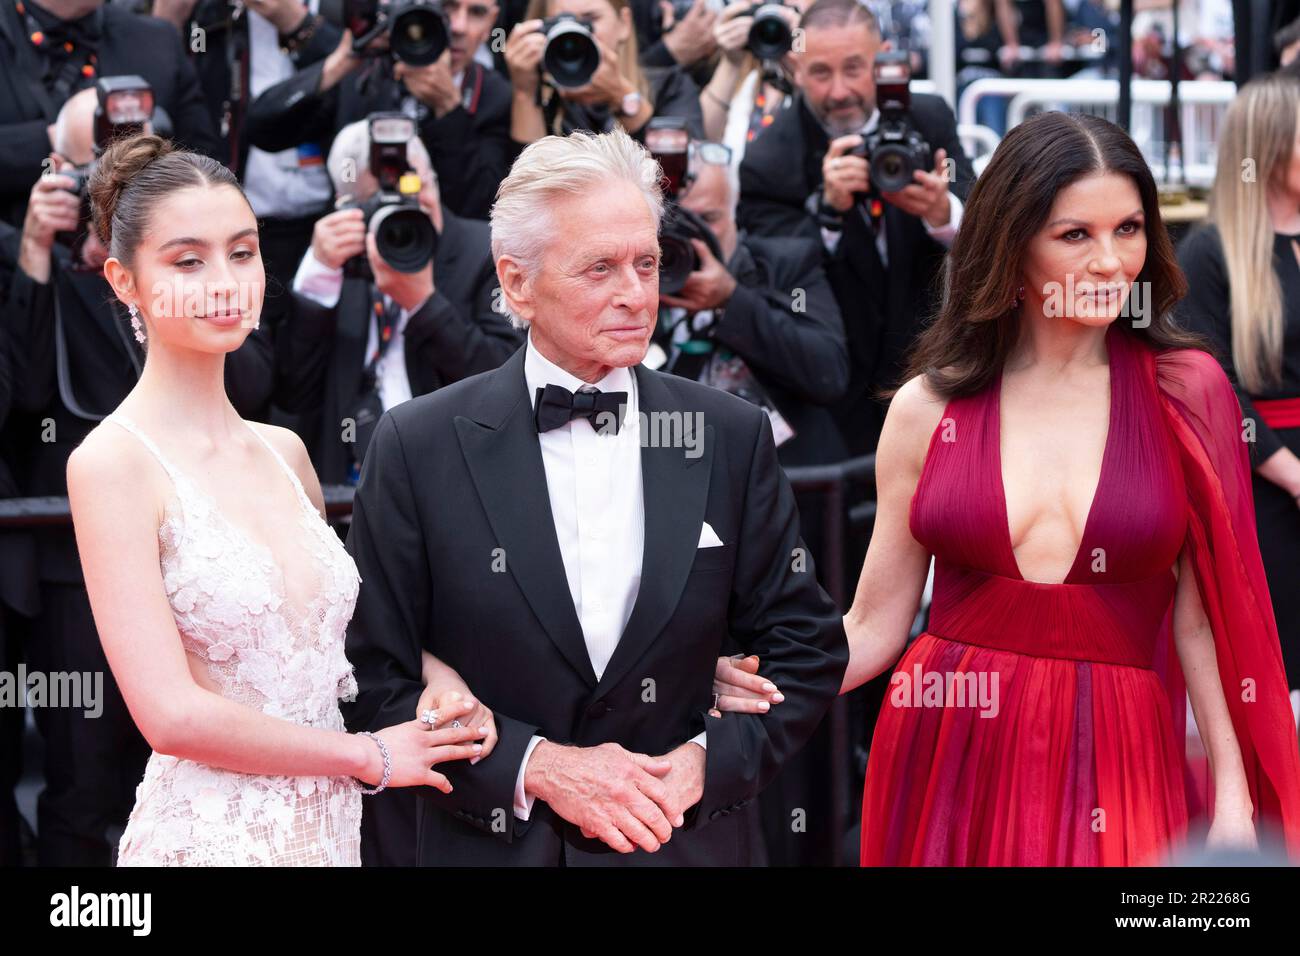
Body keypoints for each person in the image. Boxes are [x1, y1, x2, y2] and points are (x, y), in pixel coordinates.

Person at [718, 111, 1300, 864]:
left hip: (1117, 749)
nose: (1110, 262)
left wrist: (1230, 794)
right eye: (1074, 235)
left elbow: (1201, 622)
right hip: (947, 745)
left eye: (1128, 230)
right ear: (1011, 242)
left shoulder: (1188, 391)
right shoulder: (927, 409)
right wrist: (762, 679)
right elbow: (874, 625)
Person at [341, 127, 848, 866]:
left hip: (683, 842)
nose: (636, 294)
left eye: (647, 263)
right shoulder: (418, 445)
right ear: (516, 283)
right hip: (493, 847)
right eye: (599, 269)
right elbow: (371, 677)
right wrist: (533, 766)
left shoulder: (727, 434)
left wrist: (700, 767)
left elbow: (807, 649)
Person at [63, 132, 494, 865]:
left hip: (327, 836)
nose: (227, 280)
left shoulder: (284, 451)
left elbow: (343, 635)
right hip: (209, 839)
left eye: (243, 251)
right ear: (124, 280)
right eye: (187, 260)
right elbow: (170, 715)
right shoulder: (110, 463)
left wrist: (439, 678)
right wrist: (367, 758)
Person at [738, 0, 975, 455]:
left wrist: (940, 212)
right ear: (796, 68)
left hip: (931, 374)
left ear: (884, 60)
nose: (840, 91)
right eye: (821, 73)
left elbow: (985, 225)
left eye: (854, 68)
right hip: (833, 392)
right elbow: (781, 283)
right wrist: (827, 213)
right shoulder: (770, 157)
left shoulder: (929, 118)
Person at [278, 117, 520, 486]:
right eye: (374, 202)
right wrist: (318, 275)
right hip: (350, 477)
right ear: (346, 207)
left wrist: (423, 303)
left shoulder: (484, 252)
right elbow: (294, 389)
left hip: (455, 472)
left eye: (413, 190)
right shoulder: (342, 262)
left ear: (433, 181)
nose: (400, 211)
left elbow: (506, 379)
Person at [1177, 74, 1300, 702]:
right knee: (1281, 664)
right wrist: (1290, 474)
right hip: (1261, 479)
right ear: (1272, 147)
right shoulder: (1211, 252)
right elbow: (1215, 386)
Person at [244, 0, 513, 220]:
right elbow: (262, 130)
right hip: (352, 248)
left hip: (445, 261)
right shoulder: (366, 75)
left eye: (476, 12)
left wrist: (449, 108)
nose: (458, 26)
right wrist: (342, 60)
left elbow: (484, 209)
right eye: (446, 8)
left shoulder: (494, 94)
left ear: (492, 22)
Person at [0, 0, 220, 228]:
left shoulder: (156, 40)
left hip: (140, 244)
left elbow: (204, 163)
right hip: (17, 250)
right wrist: (57, 138)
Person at [502, 0, 704, 147]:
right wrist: (525, 94)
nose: (576, 34)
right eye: (561, 22)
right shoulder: (540, 99)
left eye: (590, 20)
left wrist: (622, 97)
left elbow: (680, 180)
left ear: (624, 24)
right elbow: (522, 188)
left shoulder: (671, 86)